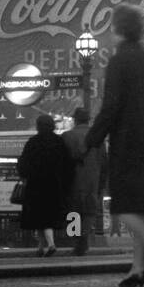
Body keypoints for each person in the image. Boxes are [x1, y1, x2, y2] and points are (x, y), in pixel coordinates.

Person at [85, 4, 144, 287]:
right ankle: (137, 269)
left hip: (130, 143)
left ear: (117, 30)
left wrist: (93, 137)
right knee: (140, 208)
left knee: (124, 205)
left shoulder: (119, 61)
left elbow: (111, 105)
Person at [16, 113, 74, 256]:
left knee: (40, 217)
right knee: (48, 217)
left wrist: (25, 175)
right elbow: (67, 165)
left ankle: (50, 244)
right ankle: (41, 246)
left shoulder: (33, 142)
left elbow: (23, 164)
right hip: (54, 186)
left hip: (36, 185)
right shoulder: (59, 142)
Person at [60, 107, 102, 257]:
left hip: (73, 180)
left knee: (73, 211)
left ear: (75, 119)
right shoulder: (97, 137)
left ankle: (77, 240)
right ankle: (83, 236)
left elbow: (61, 161)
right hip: (92, 180)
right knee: (89, 211)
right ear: (89, 119)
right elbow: (103, 161)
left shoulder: (66, 136)